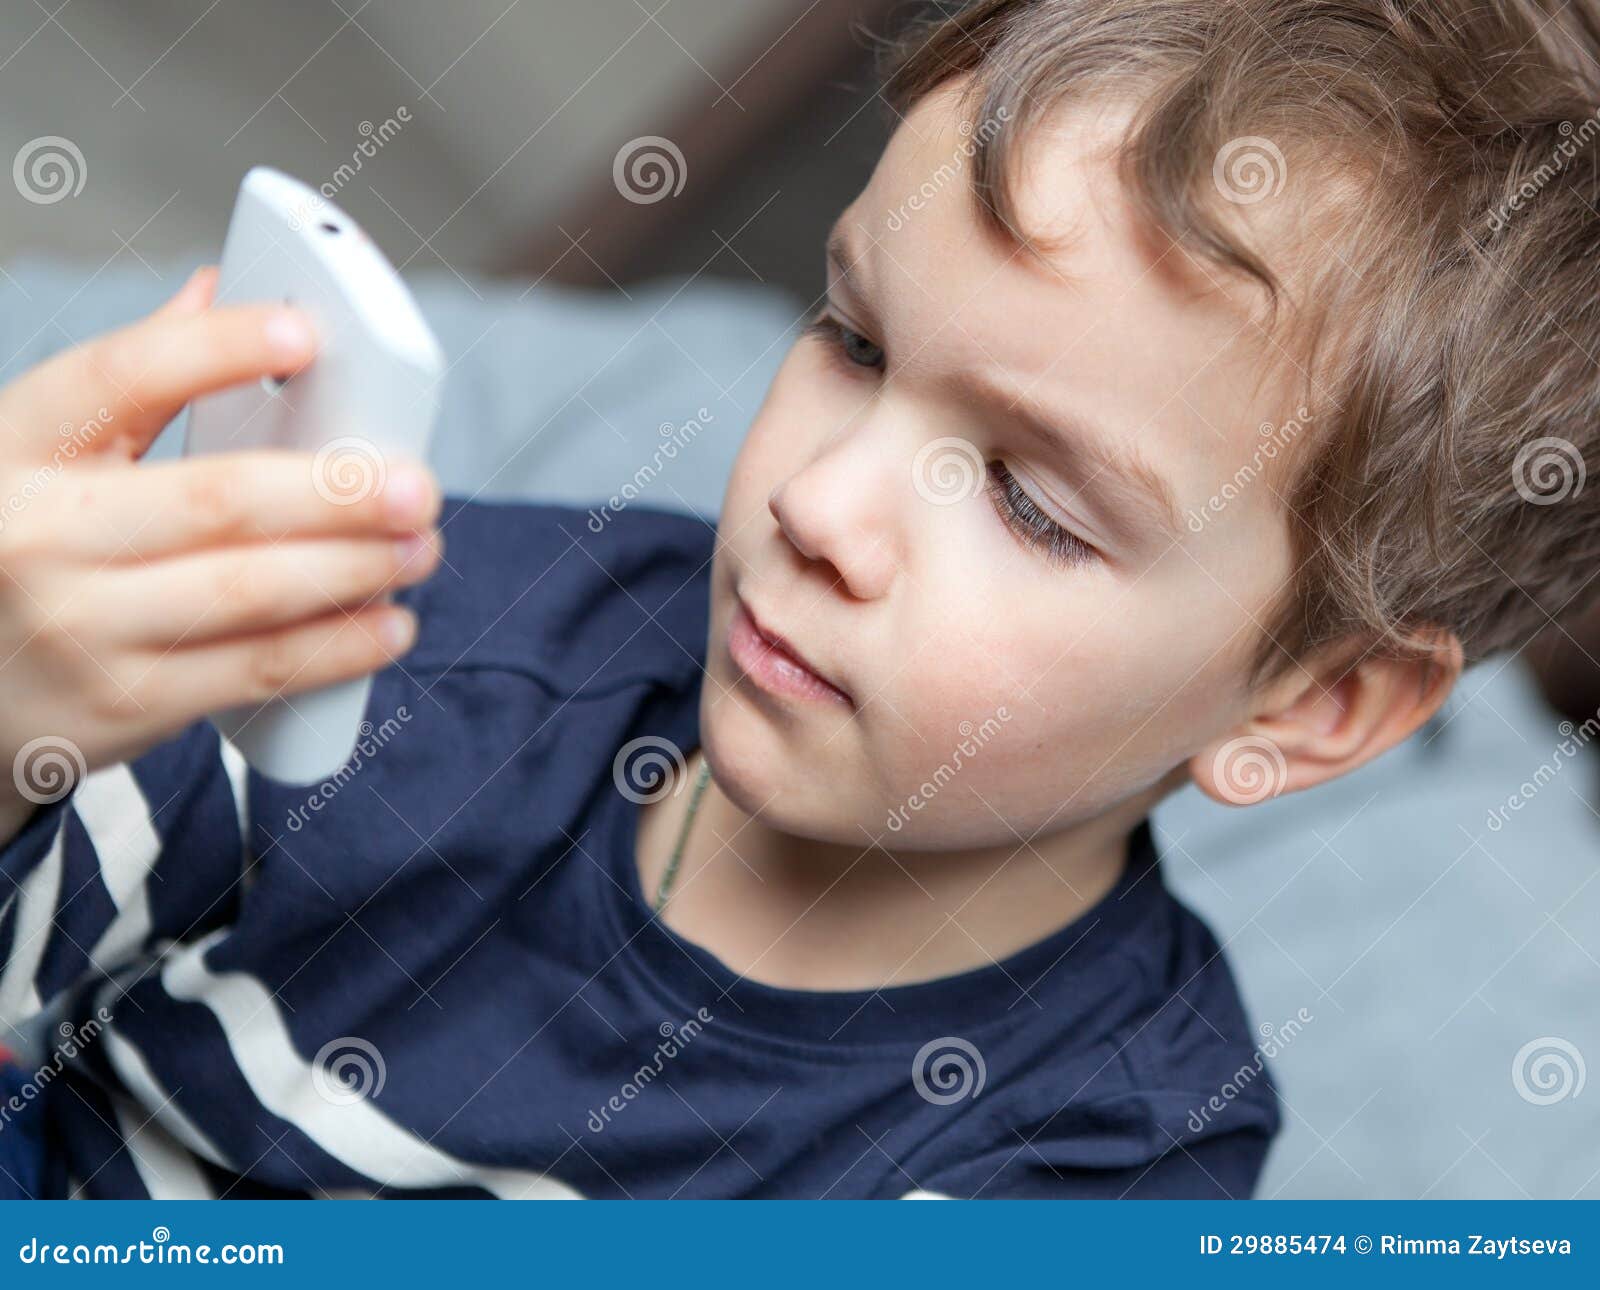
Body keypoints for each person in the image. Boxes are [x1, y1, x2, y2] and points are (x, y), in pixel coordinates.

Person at [2, 0, 1596, 1198]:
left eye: (1036, 506)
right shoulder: (456, 645)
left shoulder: (1099, 1151)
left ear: (1309, 705)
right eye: (852, 341)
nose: (816, 506)